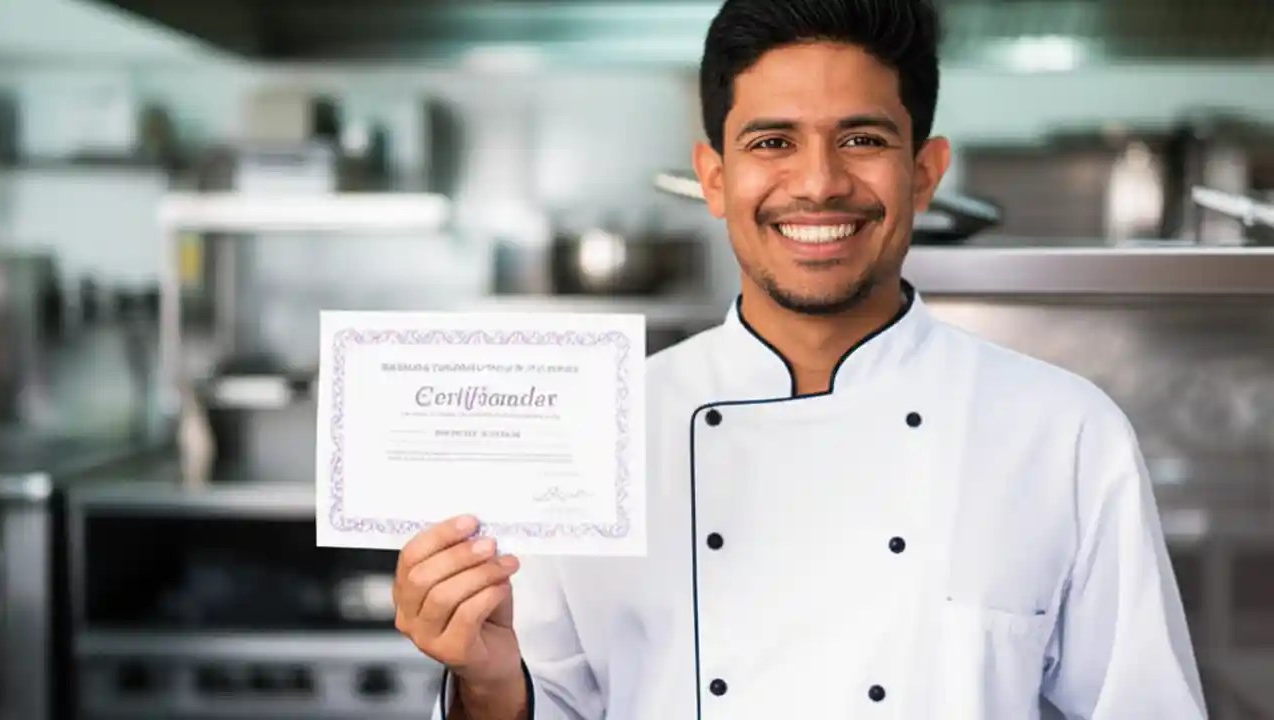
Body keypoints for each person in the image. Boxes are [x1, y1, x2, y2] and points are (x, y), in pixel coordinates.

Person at [392, 0, 1207, 717]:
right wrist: (491, 688)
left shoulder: (1062, 432)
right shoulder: (604, 433)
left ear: (924, 173)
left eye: (861, 137)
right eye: (773, 141)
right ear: (714, 177)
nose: (818, 183)